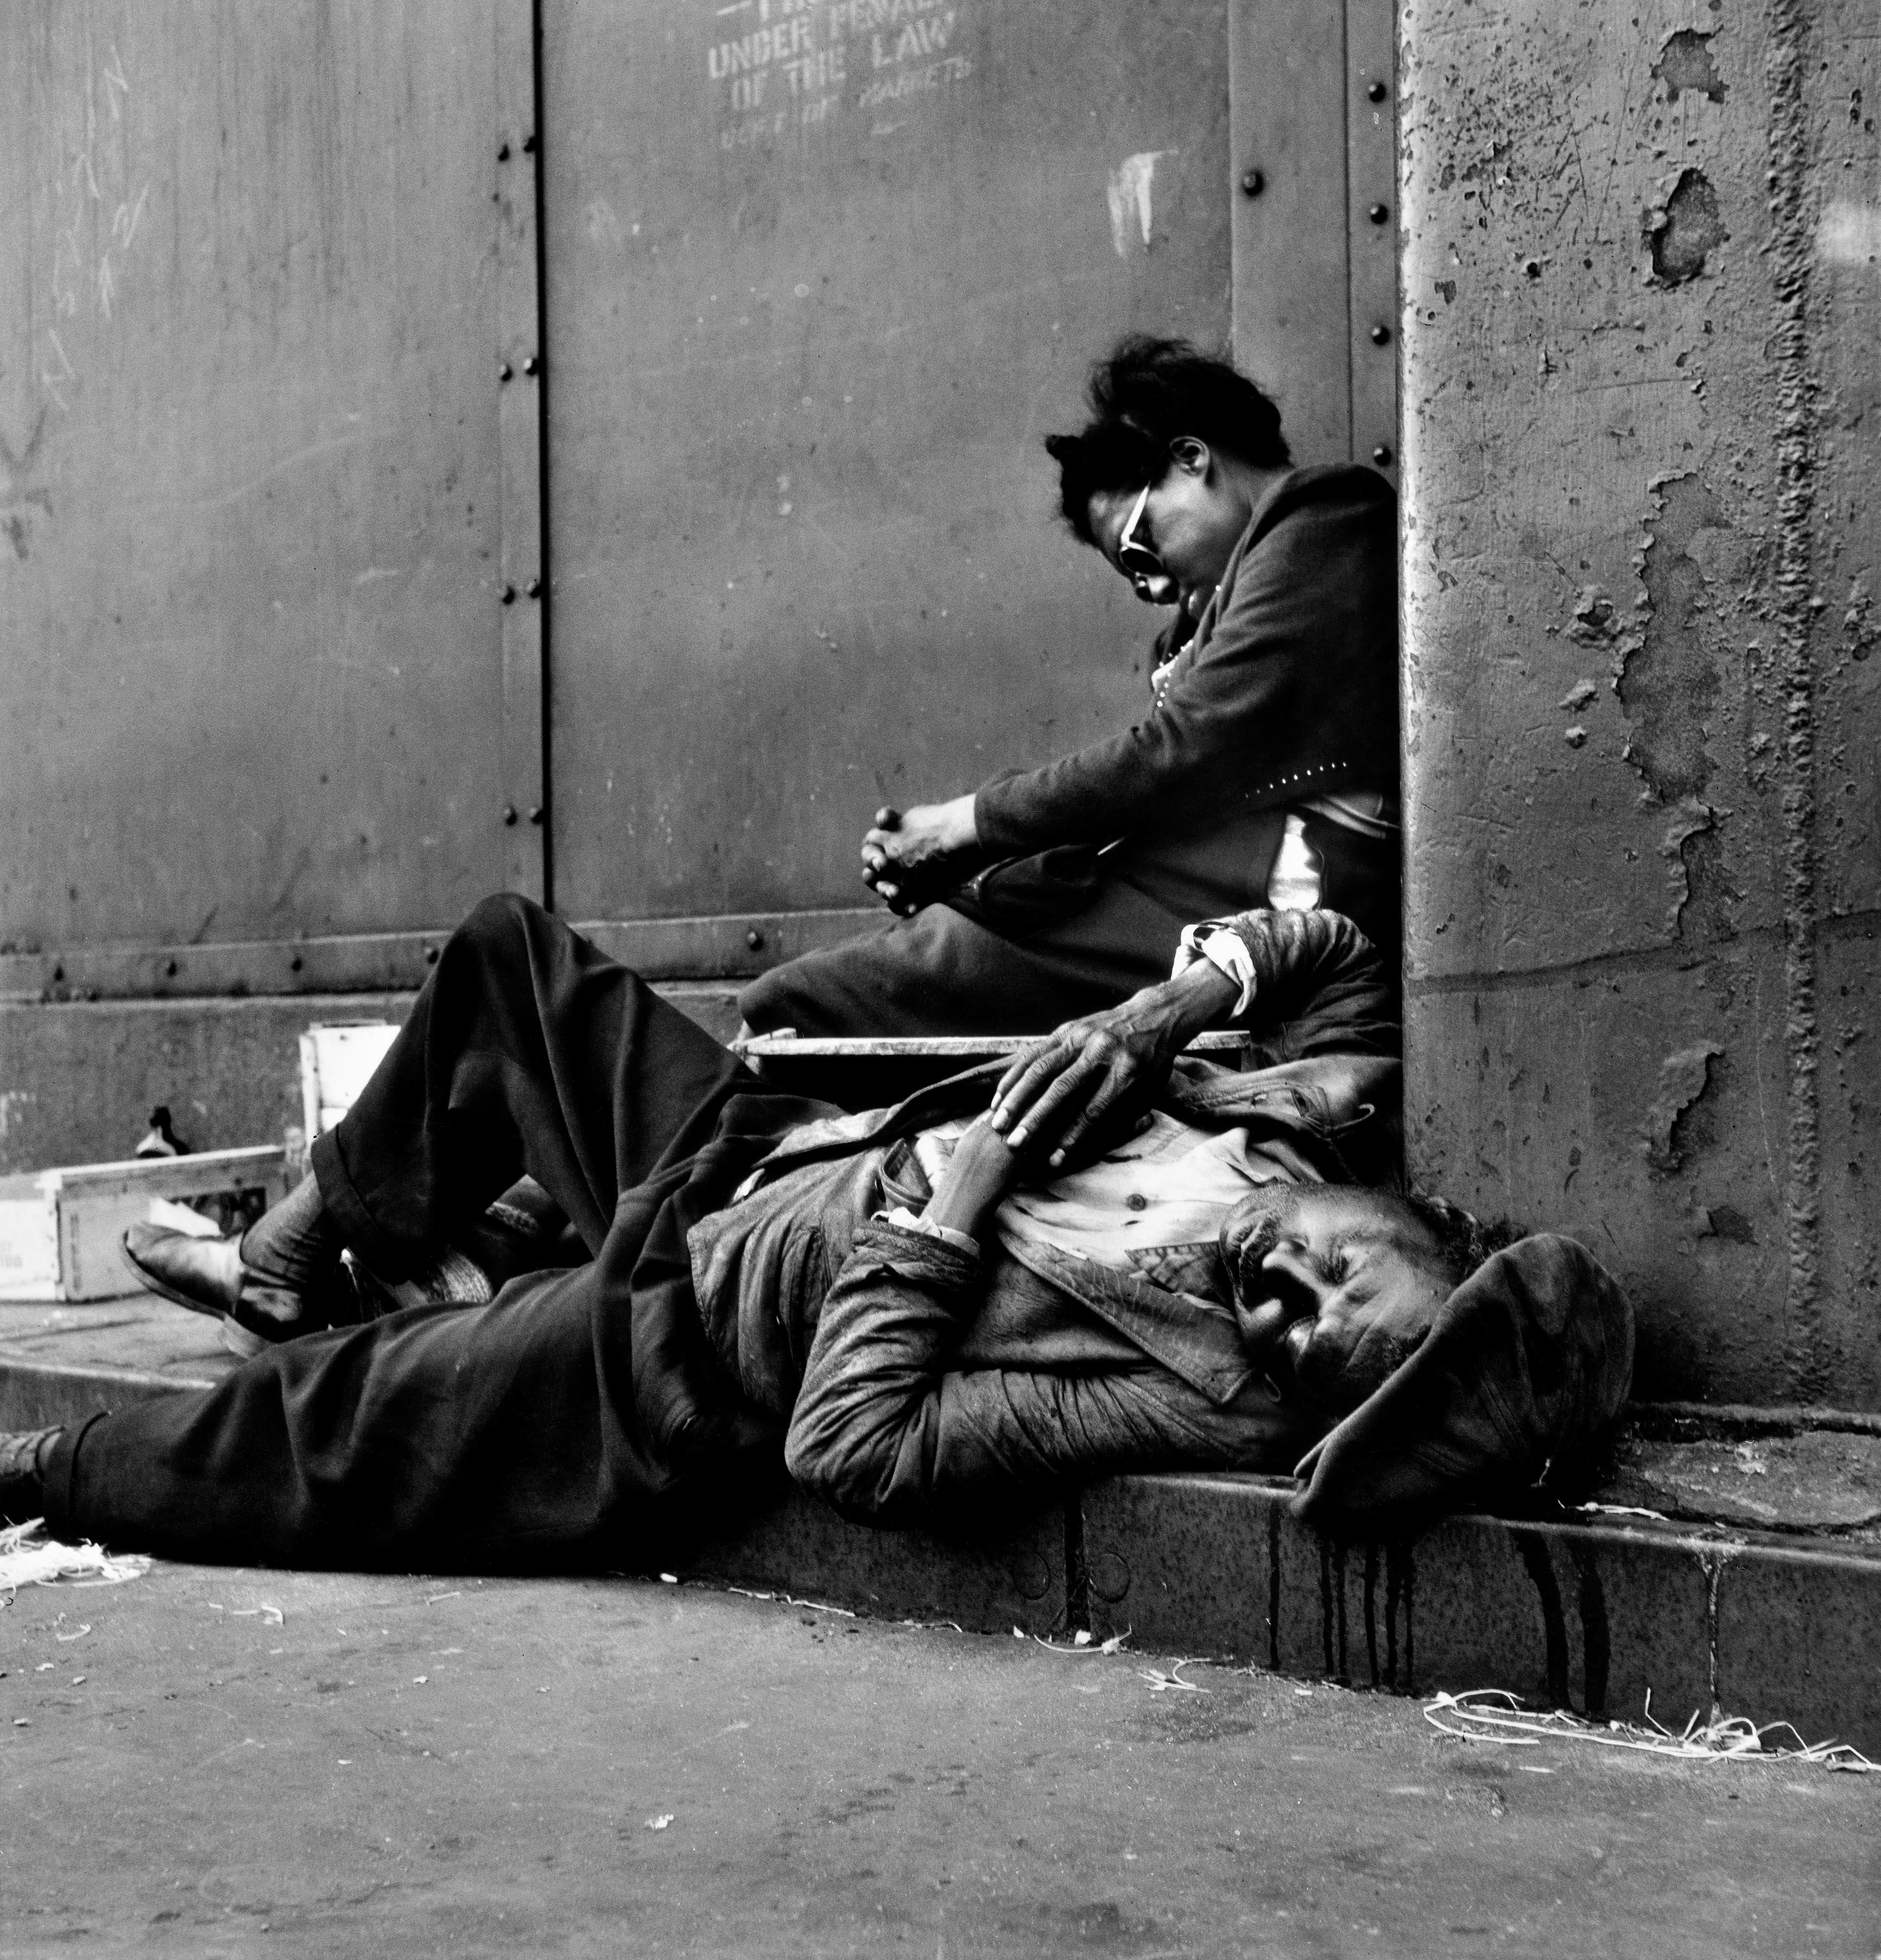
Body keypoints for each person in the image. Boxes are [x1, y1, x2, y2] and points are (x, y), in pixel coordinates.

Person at [0, 895, 1629, 1571]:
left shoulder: (1198, 1383)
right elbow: (1320, 935)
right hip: (743, 1145)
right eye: (1333, 1283)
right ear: (1430, 1225)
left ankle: (45, 1464)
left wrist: (955, 1214)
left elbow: (858, 1440)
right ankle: (309, 1256)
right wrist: (1159, 1014)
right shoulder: (1320, 1104)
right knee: (513, 960)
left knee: (321, 1436)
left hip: (679, 1337)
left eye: (1301, 1363)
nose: (1274, 1305)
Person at [738, 335, 1400, 1038]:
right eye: (1130, 575)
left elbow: (1177, 754)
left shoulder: (1323, 518)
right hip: (1193, 908)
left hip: (1258, 922)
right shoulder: (1235, 594)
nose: (1148, 587)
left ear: (1190, 459)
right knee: (821, 995)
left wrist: (966, 824)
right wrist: (971, 853)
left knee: (804, 1003)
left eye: (1139, 551)